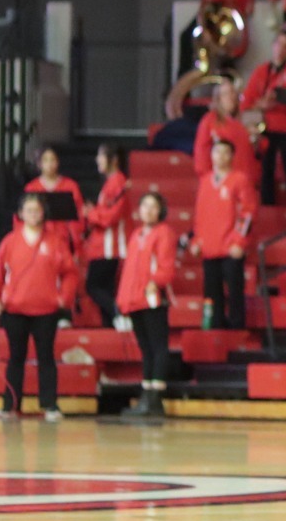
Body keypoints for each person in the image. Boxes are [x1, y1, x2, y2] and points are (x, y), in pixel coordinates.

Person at [0, 192, 75, 421]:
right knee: (16, 358)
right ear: (21, 214)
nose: (33, 214)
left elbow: (70, 273)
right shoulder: (10, 242)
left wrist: (63, 298)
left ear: (44, 213)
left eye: (37, 210)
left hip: (46, 310)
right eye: (29, 210)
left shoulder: (56, 242)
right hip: (15, 310)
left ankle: (50, 405)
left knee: (46, 358)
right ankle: (10, 405)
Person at [118, 190, 177, 424]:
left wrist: (155, 283)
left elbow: (166, 266)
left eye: (154, 207)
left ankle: (153, 397)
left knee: (157, 346)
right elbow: (129, 270)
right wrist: (123, 298)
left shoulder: (164, 233)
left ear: (161, 211)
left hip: (152, 297)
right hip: (134, 298)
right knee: (146, 348)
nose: (149, 211)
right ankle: (149, 397)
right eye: (145, 206)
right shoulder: (136, 234)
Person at [191, 136, 257, 330]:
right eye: (217, 152)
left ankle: (237, 329)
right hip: (209, 247)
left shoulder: (240, 179)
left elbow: (248, 212)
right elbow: (200, 214)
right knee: (211, 293)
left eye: (225, 152)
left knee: (235, 291)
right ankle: (215, 329)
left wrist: (239, 241)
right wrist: (197, 240)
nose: (220, 156)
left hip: (230, 246)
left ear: (232, 156)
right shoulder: (205, 181)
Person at [244, 30, 286, 206]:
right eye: (279, 44)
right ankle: (267, 208)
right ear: (273, 45)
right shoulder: (261, 71)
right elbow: (246, 102)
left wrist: (278, 97)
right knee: (266, 170)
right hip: (265, 127)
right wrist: (262, 104)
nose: (281, 49)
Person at [80, 144, 132, 329]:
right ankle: (111, 326)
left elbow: (110, 217)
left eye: (101, 156)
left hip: (109, 246)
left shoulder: (117, 182)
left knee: (93, 286)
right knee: (105, 289)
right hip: (105, 245)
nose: (97, 160)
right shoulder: (113, 182)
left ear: (114, 160)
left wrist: (90, 213)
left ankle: (118, 311)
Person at [24, 146, 85, 273]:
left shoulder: (70, 186)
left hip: (64, 241)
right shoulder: (31, 188)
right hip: (38, 241)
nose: (49, 164)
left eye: (53, 160)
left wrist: (77, 247)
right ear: (39, 163)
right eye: (45, 160)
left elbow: (78, 217)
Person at [193, 79, 257, 188]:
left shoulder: (243, 121)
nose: (230, 97)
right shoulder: (210, 121)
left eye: (233, 93)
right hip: (223, 183)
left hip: (245, 181)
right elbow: (201, 154)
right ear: (218, 98)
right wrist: (209, 180)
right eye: (226, 94)